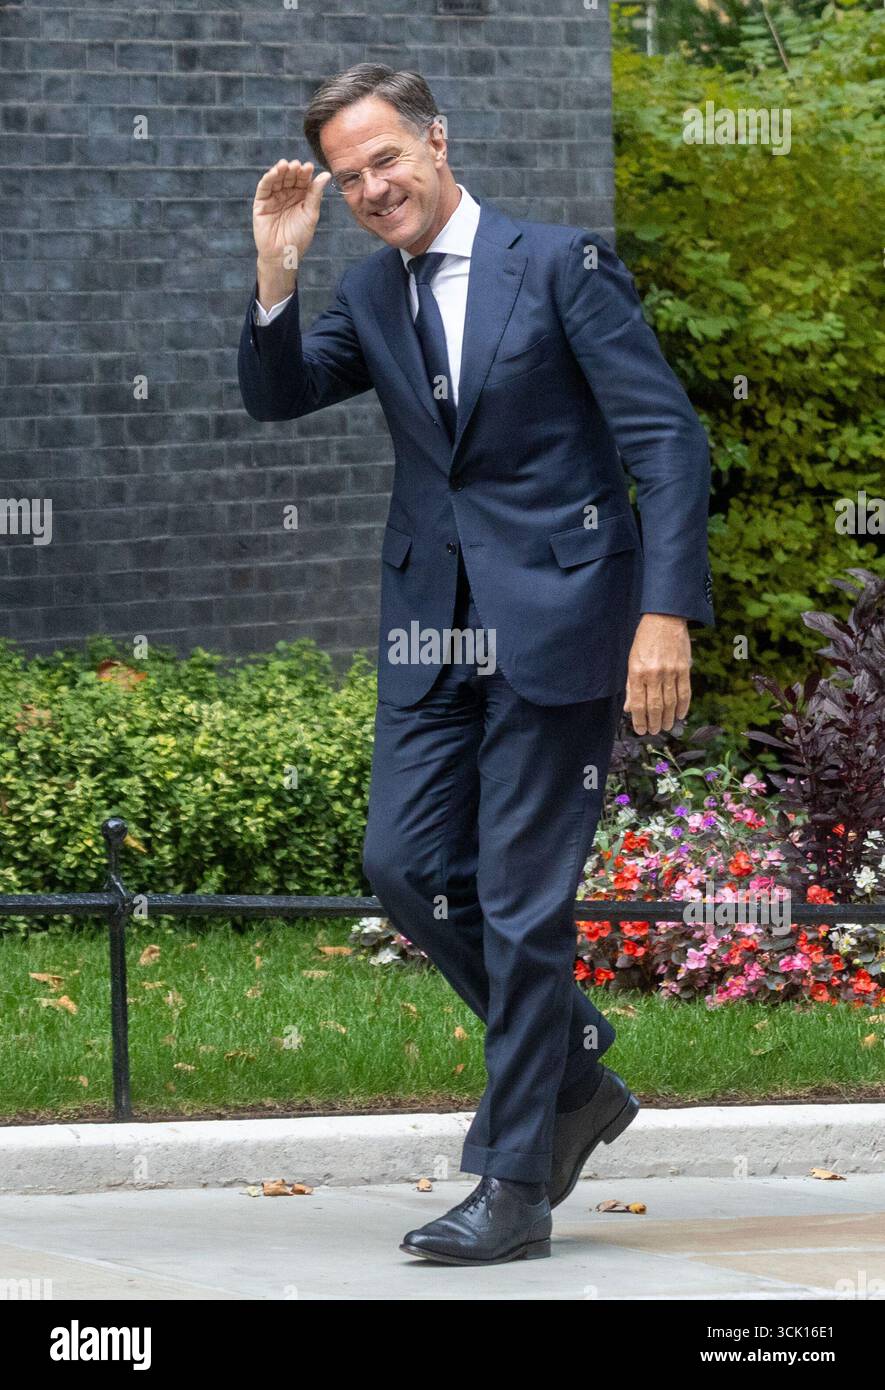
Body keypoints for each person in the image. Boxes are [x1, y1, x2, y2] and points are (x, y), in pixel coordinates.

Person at [238, 63, 714, 1266]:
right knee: (401, 865)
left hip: (561, 619)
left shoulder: (560, 266)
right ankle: (575, 1072)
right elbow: (280, 396)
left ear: (437, 141)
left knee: (519, 899)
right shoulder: (369, 290)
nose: (370, 188)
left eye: (385, 159)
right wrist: (278, 270)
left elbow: (667, 442)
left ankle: (512, 1185)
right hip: (431, 630)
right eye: (348, 176)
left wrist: (664, 616)